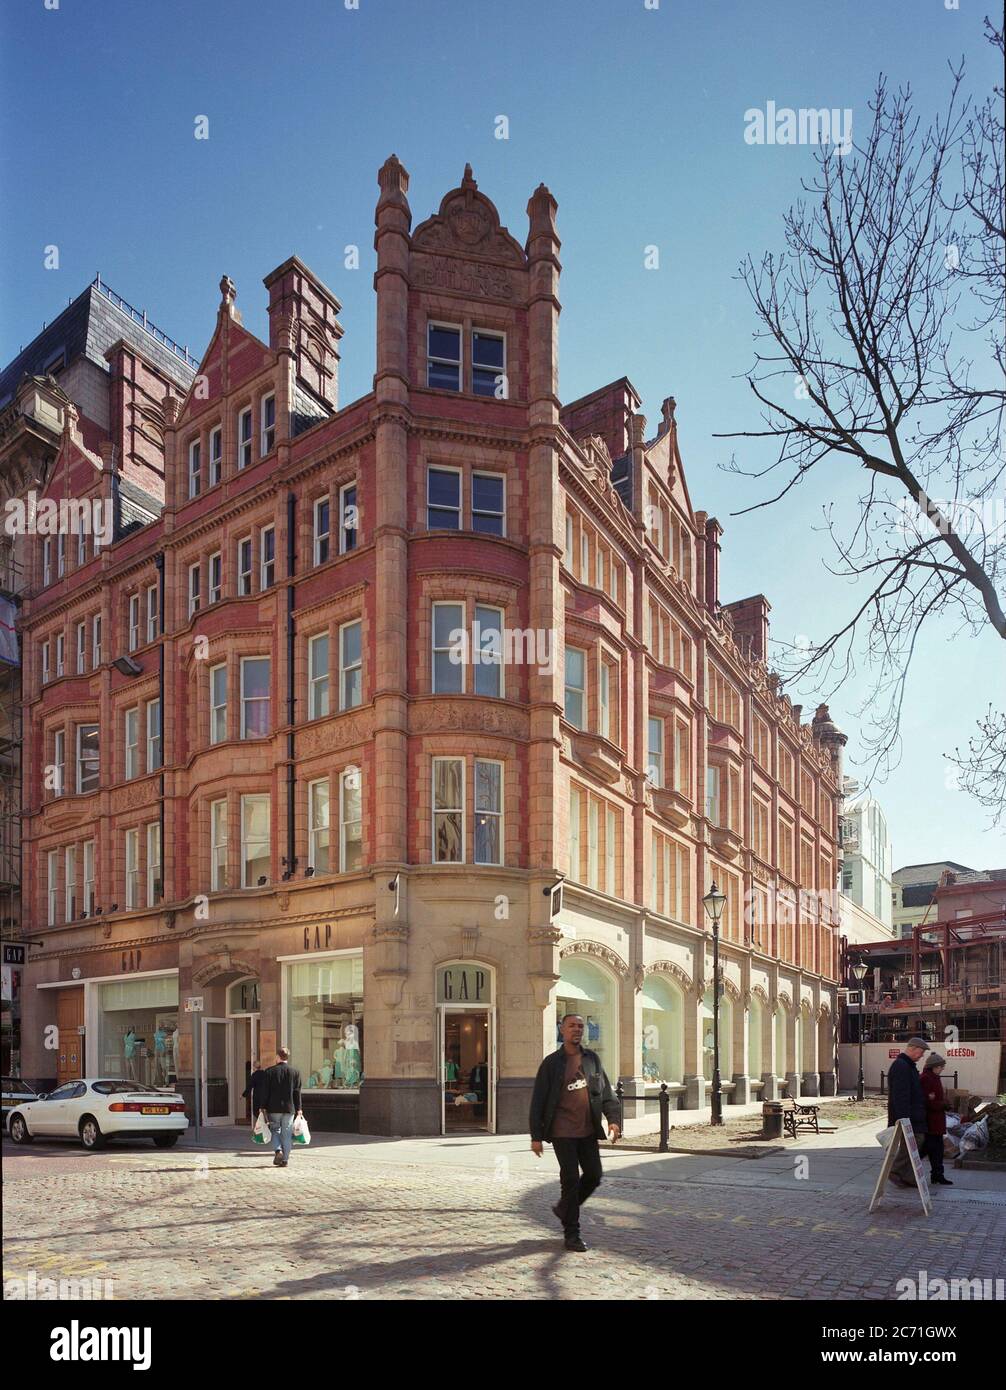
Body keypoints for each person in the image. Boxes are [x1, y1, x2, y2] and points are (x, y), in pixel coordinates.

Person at [529, 1013, 621, 1252]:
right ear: (562, 1029)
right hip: (562, 1131)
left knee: (594, 1175)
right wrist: (536, 1136)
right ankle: (572, 1234)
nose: (577, 1030)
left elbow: (607, 1093)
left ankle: (563, 1208)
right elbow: (538, 1100)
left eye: (580, 1026)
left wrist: (613, 1120)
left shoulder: (592, 1059)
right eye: (572, 1026)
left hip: (588, 1130)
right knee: (570, 1179)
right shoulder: (551, 1063)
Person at [886, 1036, 929, 1187]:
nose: (922, 1055)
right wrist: (904, 1119)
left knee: (915, 1145)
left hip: (913, 1115)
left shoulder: (907, 1065)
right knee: (914, 1143)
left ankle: (909, 1176)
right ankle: (895, 1170)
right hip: (909, 1117)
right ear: (912, 1049)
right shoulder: (901, 1066)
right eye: (921, 1052)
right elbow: (901, 1096)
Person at [259, 1047, 304, 1168]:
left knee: (274, 1130)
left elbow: (265, 1092)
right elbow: (297, 1092)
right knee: (287, 1133)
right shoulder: (295, 1072)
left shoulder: (269, 1072)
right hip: (289, 1108)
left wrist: (262, 1106)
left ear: (277, 1056)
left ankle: (278, 1150)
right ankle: (285, 1160)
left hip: (273, 1107)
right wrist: (299, 1108)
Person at [919, 1052, 953, 1186]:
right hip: (931, 1121)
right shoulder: (927, 1079)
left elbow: (934, 1098)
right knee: (931, 1149)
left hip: (936, 1121)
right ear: (934, 1066)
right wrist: (942, 1104)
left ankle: (937, 1175)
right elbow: (927, 1101)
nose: (942, 1069)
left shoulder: (934, 1077)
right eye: (941, 1066)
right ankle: (905, 1167)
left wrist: (943, 1102)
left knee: (935, 1150)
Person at [241, 1058, 266, 1122]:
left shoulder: (254, 1075)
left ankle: (262, 1125)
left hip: (257, 1095)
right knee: (264, 1112)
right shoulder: (265, 1074)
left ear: (254, 1067)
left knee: (256, 1112)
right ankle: (264, 1124)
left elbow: (250, 1086)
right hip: (265, 1095)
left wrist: (243, 1094)